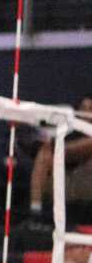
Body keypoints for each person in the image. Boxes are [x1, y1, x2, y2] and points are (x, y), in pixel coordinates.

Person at [30, 95, 92, 227]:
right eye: (83, 108)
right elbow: (62, 152)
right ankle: (35, 215)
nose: (86, 113)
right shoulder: (68, 134)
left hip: (87, 184)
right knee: (44, 154)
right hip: (67, 184)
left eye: (90, 108)